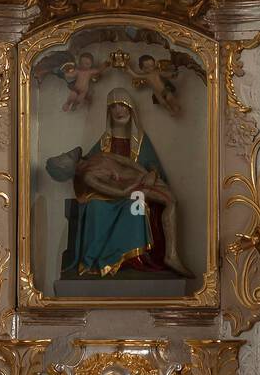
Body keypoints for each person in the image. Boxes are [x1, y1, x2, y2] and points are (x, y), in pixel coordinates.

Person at [48, 89, 188, 276]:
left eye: (122, 105)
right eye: (113, 107)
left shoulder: (140, 140)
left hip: (137, 186)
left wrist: (149, 174)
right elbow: (86, 173)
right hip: (111, 192)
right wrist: (127, 188)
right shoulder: (103, 144)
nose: (118, 111)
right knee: (99, 206)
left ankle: (156, 256)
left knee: (141, 203)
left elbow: (144, 163)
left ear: (131, 109)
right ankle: (105, 260)